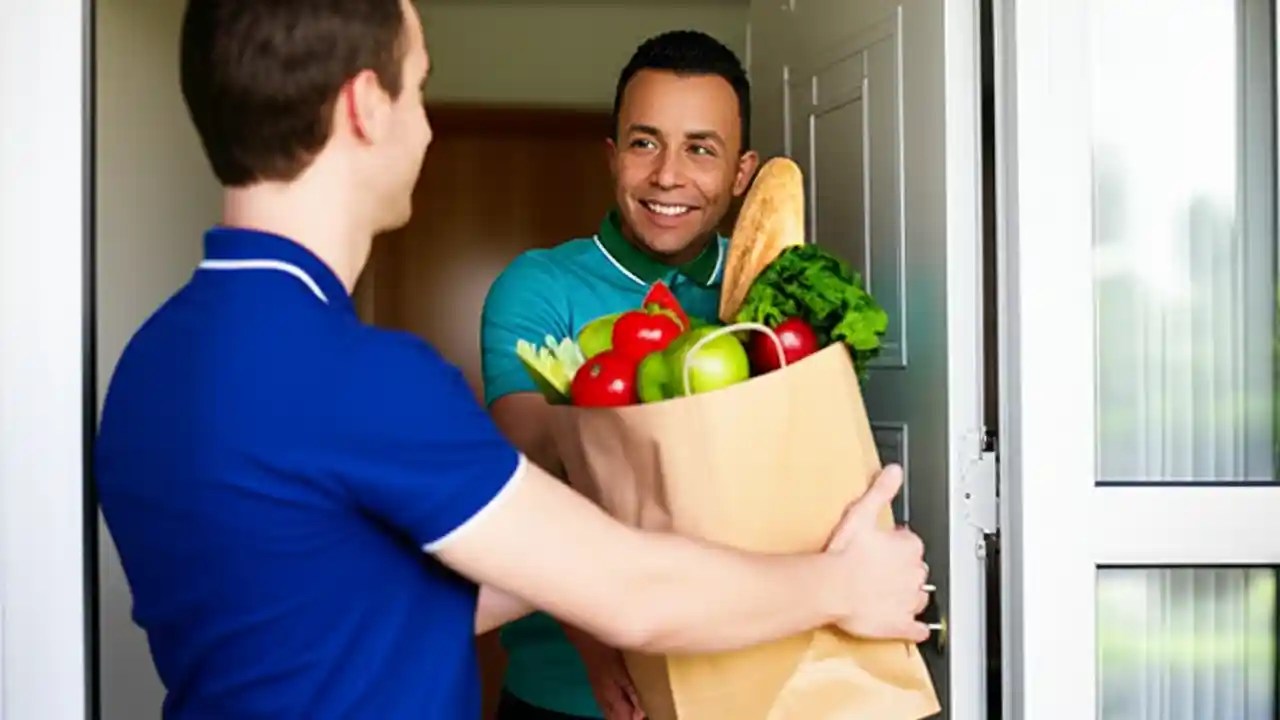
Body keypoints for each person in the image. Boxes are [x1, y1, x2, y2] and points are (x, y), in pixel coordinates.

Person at [93, 3, 932, 719]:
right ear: (365, 107)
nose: (427, 123)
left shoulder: (150, 365)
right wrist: (844, 586)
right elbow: (631, 595)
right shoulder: (364, 379)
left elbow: (344, 608)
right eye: (418, 88)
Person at [478, 30, 923, 720]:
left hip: (759, 677)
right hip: (575, 694)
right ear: (613, 155)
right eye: (645, 143)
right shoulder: (539, 287)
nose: (667, 176)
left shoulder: (775, 295)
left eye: (700, 149)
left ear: (742, 173)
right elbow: (529, 477)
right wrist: (593, 637)